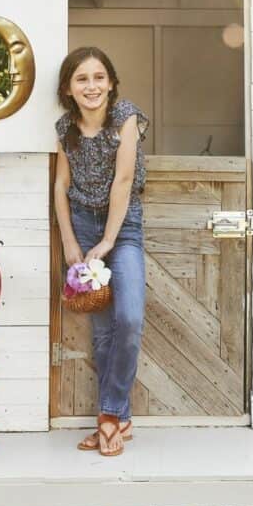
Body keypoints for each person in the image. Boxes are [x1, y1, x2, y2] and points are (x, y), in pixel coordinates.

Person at [53, 46, 149, 457]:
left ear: (110, 82)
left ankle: (110, 417)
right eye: (81, 79)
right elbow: (61, 185)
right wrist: (70, 241)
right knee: (103, 329)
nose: (91, 86)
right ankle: (115, 420)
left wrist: (108, 241)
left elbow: (123, 180)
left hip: (121, 228)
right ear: (69, 89)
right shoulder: (64, 128)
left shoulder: (126, 117)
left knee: (129, 317)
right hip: (82, 223)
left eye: (98, 77)